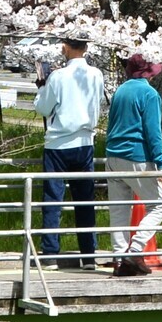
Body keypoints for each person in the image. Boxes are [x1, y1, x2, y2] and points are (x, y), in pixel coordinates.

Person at [33, 35, 106, 270]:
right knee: (85, 200)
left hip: (57, 144)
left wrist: (41, 86)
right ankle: (88, 255)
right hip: (85, 142)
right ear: (86, 47)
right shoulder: (96, 75)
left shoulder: (57, 76)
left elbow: (43, 108)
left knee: (53, 199)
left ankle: (51, 255)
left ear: (65, 46)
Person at [106, 53, 162, 277]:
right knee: (159, 205)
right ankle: (135, 250)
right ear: (150, 72)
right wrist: (160, 163)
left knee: (118, 210)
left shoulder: (121, 90)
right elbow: (154, 132)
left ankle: (119, 259)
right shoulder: (149, 94)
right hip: (137, 157)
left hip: (113, 156)